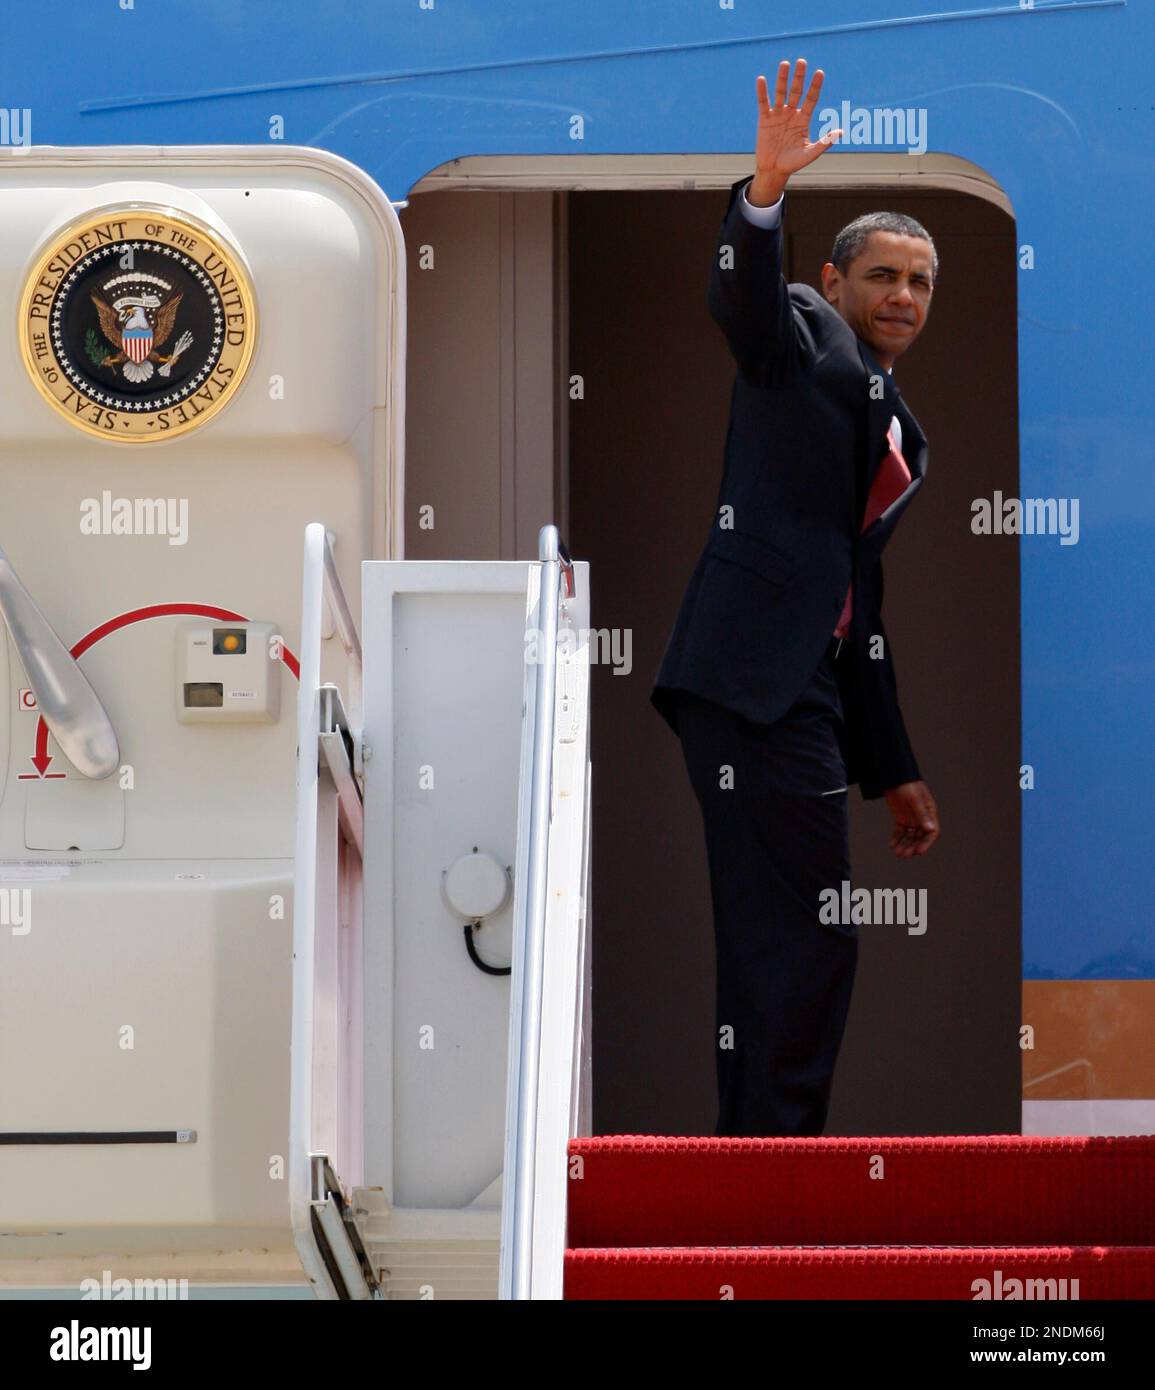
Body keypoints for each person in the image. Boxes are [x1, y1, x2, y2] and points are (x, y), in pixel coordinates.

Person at [650, 59, 942, 1137]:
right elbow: (744, 296)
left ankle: (764, 1147)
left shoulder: (911, 435)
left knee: (787, 925)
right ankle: (777, 1155)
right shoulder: (805, 332)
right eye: (885, 276)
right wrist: (763, 192)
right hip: (746, 675)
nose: (902, 297)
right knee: (808, 923)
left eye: (919, 282)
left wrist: (895, 767)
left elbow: (860, 611)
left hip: (804, 694)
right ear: (838, 276)